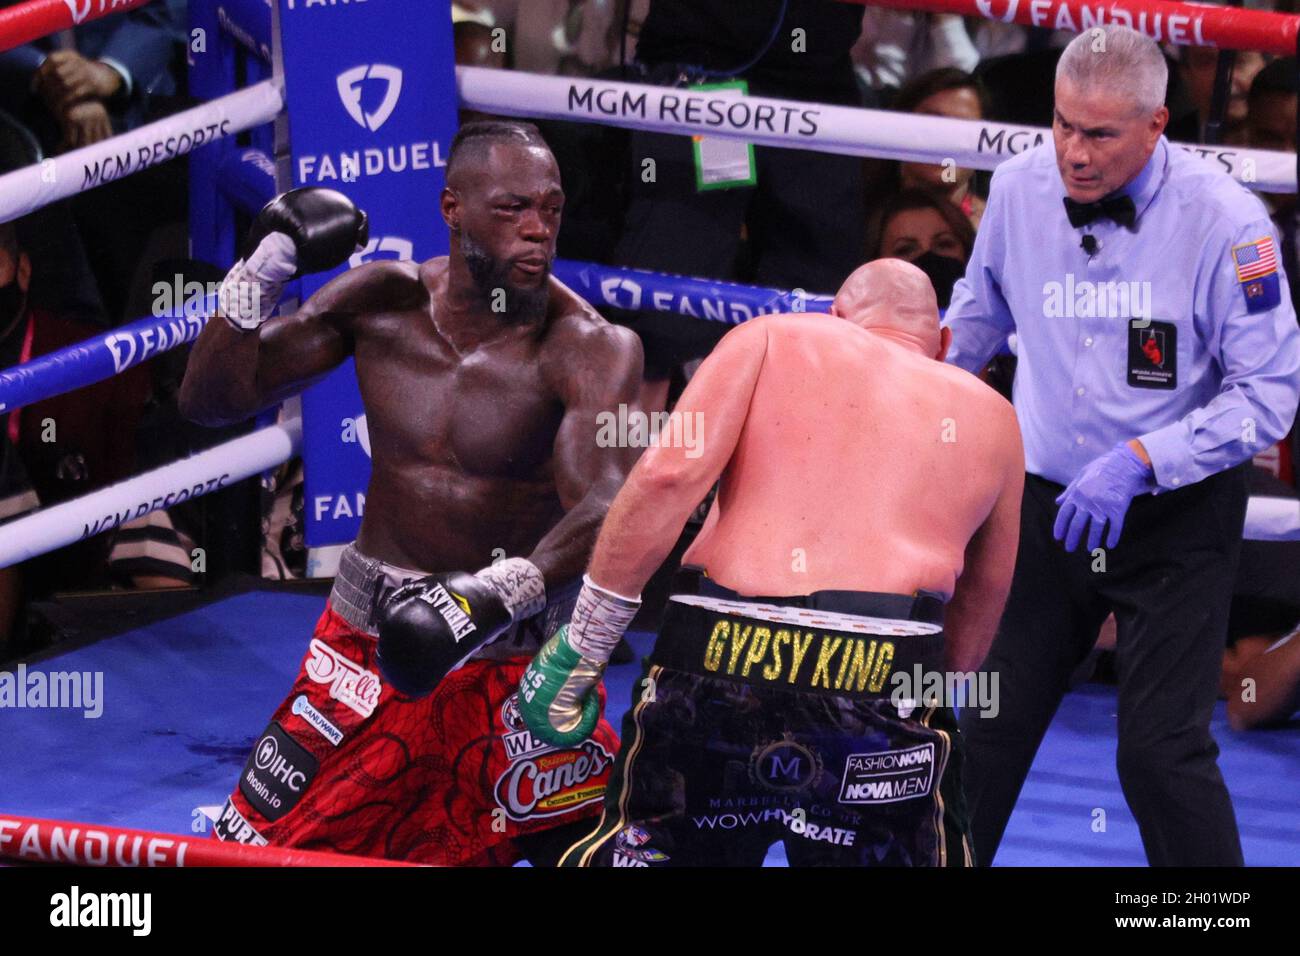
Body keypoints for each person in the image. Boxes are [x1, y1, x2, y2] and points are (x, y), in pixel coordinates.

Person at [179, 121, 643, 866]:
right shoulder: (381, 302)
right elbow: (210, 400)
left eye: (550, 210)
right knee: (253, 856)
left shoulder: (589, 348)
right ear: (451, 208)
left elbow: (609, 503)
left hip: (514, 664)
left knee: (597, 853)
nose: (537, 231)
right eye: (512, 209)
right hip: (362, 647)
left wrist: (489, 595)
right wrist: (258, 275)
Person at [517, 259, 1025, 867]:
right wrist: (930, 693)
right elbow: (985, 591)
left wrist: (585, 643)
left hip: (719, 648)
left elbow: (668, 479)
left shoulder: (772, 336)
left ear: (835, 314)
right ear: (942, 343)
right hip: (886, 667)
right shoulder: (993, 414)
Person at [943, 25, 1300, 867]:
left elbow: (1271, 398)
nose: (1074, 150)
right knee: (985, 731)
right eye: (1063, 124)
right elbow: (978, 313)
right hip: (1044, 507)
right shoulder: (1021, 188)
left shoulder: (1229, 225)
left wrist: (1142, 462)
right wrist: (910, 386)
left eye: (1100, 133)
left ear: (1158, 123)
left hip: (1175, 516)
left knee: (1159, 755)